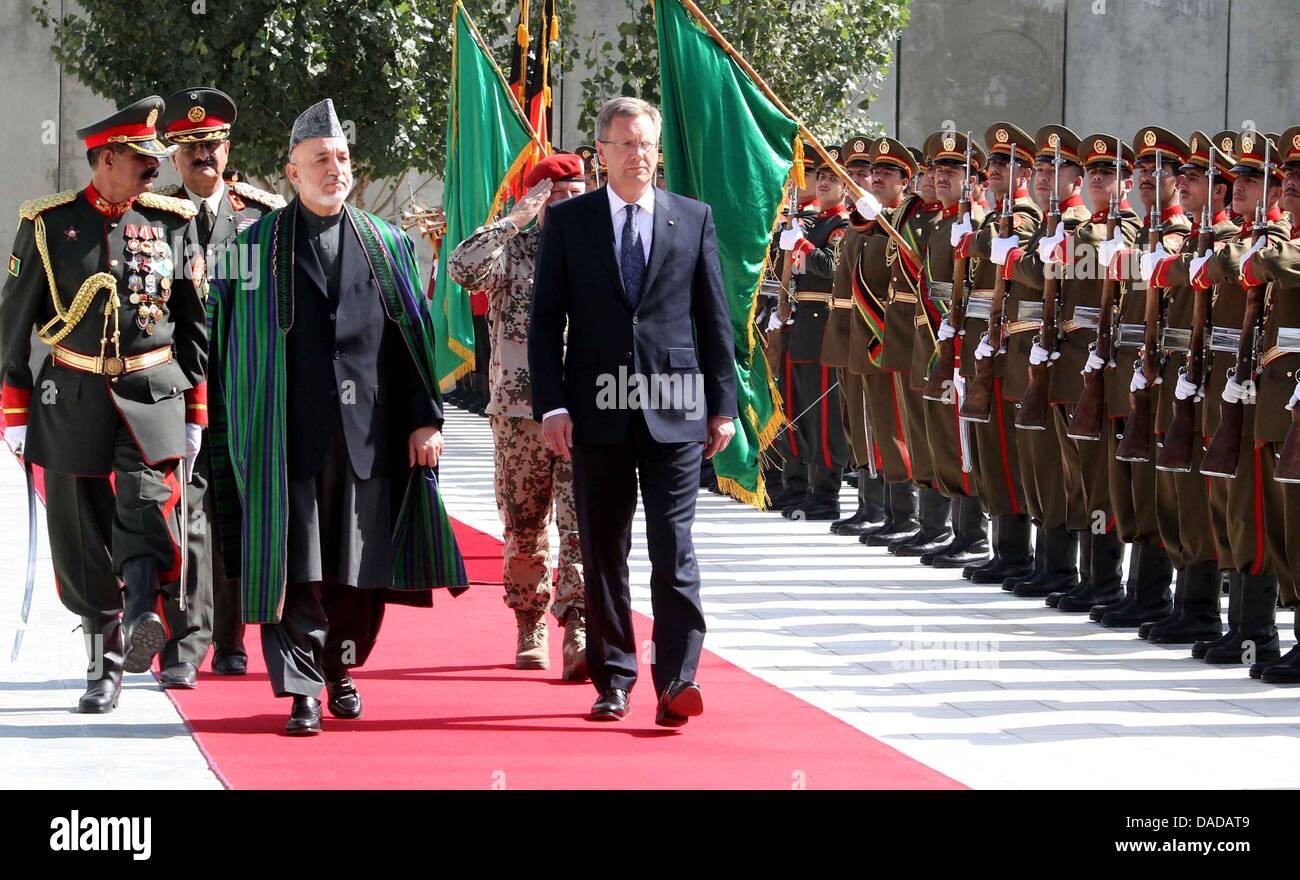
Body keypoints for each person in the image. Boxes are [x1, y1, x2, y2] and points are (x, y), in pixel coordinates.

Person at [207, 98, 461, 735]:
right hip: (283, 440)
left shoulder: (388, 244)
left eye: (341, 157)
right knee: (297, 570)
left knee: (356, 574)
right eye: (320, 159)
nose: (334, 168)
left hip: (367, 438)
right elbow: (224, 343)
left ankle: (341, 668)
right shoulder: (251, 247)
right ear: (292, 173)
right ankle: (302, 691)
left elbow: (412, 340)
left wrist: (424, 419)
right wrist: (220, 428)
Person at [529, 96, 738, 727]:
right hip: (597, 412)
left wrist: (722, 406)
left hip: (675, 409)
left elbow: (714, 318)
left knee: (674, 547)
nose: (638, 155)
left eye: (647, 144)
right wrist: (553, 405)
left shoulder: (691, 218)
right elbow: (545, 325)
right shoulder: (571, 224)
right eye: (625, 144)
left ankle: (677, 678)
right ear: (603, 153)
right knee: (604, 549)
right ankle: (613, 677)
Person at [0, 96, 207, 712]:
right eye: (142, 158)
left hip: (152, 393)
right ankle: (104, 662)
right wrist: (13, 410)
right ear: (107, 157)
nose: (155, 169)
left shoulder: (172, 221)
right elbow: (14, 324)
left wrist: (196, 408)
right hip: (73, 395)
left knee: (148, 504)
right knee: (81, 532)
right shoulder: (48, 225)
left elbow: (194, 326)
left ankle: (143, 611)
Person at [152, 86, 286, 687]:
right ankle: (187, 643)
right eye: (190, 148)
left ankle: (233, 640)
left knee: (235, 512)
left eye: (212, 146)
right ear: (173, 157)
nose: (203, 156)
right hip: (176, 388)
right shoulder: (152, 219)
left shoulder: (264, 216)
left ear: (228, 149)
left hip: (242, 388)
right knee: (186, 517)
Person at [447, 153, 588, 679]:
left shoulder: (596, 248)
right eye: (556, 198)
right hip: (518, 412)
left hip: (583, 411)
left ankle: (578, 623)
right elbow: (461, 269)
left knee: (582, 526)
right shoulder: (513, 250)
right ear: (534, 201)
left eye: (576, 195)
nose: (568, 207)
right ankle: (529, 620)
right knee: (525, 525)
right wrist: (514, 221)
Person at [775, 145, 851, 520]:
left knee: (823, 416)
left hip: (823, 326)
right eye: (820, 176)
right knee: (797, 409)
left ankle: (825, 493)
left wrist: (801, 244)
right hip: (800, 323)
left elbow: (832, 268)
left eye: (832, 177)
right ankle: (797, 485)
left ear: (846, 187)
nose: (823, 181)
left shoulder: (842, 226)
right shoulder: (811, 221)